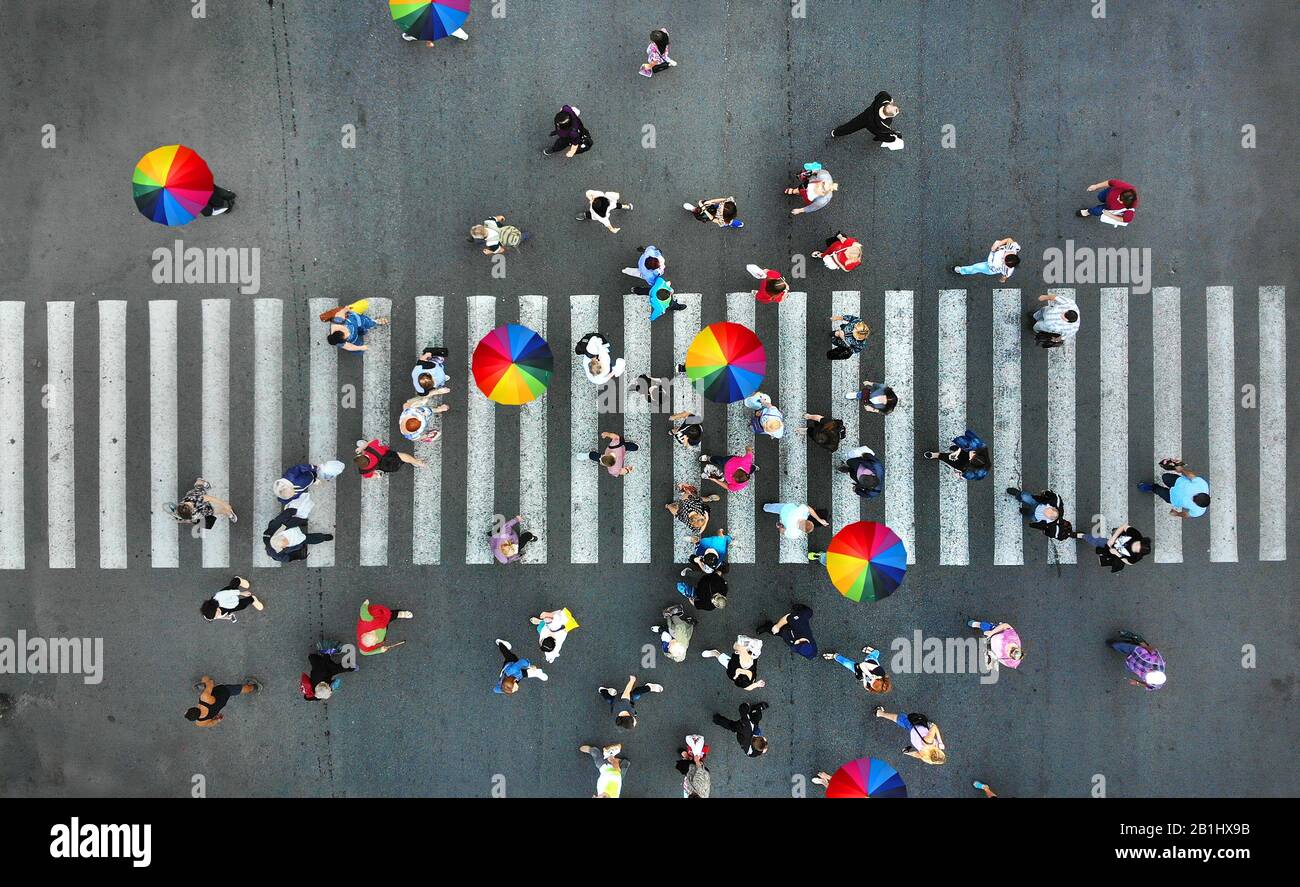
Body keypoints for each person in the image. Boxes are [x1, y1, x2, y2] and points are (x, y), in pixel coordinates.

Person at [1138, 458, 1211, 519]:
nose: (1192, 497)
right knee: (1165, 477)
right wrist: (1181, 469)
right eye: (1195, 496)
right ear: (1202, 493)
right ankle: (1156, 485)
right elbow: (1191, 475)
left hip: (1172, 498)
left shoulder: (1199, 511)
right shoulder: (1203, 485)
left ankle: (1151, 487)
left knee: (1159, 490)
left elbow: (1186, 515)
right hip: (1176, 482)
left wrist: (1177, 514)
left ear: (1197, 504)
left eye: (1194, 500)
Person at [875, 707, 946, 765]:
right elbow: (916, 754)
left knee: (897, 718)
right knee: (900, 721)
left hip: (914, 726)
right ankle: (880, 713)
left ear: (938, 751)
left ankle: (879, 713)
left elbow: (934, 727)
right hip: (913, 735)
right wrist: (906, 752)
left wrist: (940, 741)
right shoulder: (925, 756)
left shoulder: (929, 742)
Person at [831, 90, 902, 148]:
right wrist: (893, 138)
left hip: (865, 116)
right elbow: (884, 132)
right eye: (896, 111)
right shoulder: (882, 126)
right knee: (881, 134)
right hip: (873, 126)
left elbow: (881, 93)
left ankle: (836, 132)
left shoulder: (884, 98)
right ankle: (876, 139)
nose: (898, 110)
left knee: (851, 126)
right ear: (889, 117)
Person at [262, 506, 333, 563]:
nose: (288, 542)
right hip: (292, 533)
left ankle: (303, 523)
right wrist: (294, 557)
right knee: (307, 539)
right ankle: (323, 537)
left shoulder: (275, 525)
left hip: (289, 526)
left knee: (298, 523)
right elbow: (286, 558)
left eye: (286, 540)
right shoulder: (274, 552)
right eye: (285, 544)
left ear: (281, 535)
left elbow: (286, 513)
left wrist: (295, 510)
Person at [164, 476, 237, 529]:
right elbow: (184, 517)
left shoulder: (198, 498)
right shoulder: (181, 509)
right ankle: (227, 512)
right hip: (203, 511)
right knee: (214, 511)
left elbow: (212, 499)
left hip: (199, 497)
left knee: (199, 487)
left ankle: (200, 481)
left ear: (192, 509)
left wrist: (225, 504)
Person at [185, 676, 258, 727]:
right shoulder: (204, 698)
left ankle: (204, 687)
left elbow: (211, 723)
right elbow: (211, 682)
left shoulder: (200, 723)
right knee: (240, 689)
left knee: (210, 691)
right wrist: (205, 680)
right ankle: (254, 686)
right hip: (224, 691)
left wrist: (217, 720)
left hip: (221, 703)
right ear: (193, 708)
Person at [598, 675, 664, 730]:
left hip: (623, 699)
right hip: (615, 704)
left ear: (629, 716)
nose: (636, 721)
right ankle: (602, 690)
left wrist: (632, 680)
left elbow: (627, 691)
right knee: (609, 700)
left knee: (636, 694)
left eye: (635, 720)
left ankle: (649, 687)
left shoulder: (624, 704)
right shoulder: (618, 720)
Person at [1077, 523, 1150, 572]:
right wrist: (1112, 539)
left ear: (1139, 553)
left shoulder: (1135, 557)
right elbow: (1124, 526)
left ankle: (1084, 536)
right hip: (1115, 540)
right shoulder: (1136, 535)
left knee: (1097, 543)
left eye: (1136, 549)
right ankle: (1083, 536)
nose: (1134, 546)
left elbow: (1130, 562)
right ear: (1141, 541)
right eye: (1137, 544)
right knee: (1102, 539)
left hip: (1113, 550)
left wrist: (1117, 554)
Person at [1005, 486, 1072, 540]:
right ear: (1053, 508)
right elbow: (1053, 495)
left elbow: (1050, 533)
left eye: (1047, 515)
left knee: (1031, 515)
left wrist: (1041, 529)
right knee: (1024, 496)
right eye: (1049, 510)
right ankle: (1018, 494)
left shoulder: (1051, 526)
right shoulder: (1056, 502)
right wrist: (1045, 493)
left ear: (1050, 519)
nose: (1045, 512)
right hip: (1036, 503)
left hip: (1035, 516)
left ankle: (1026, 511)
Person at [922, 429, 990, 480]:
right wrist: (957, 452)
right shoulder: (979, 446)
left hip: (964, 464)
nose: (971, 455)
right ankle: (955, 449)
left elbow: (965, 475)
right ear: (978, 452)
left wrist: (960, 474)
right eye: (974, 453)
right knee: (960, 449)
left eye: (971, 458)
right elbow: (966, 440)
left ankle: (937, 455)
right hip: (968, 451)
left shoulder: (976, 472)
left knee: (950, 460)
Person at [822, 645, 891, 693]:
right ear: (879, 678)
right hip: (869, 662)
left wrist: (864, 677)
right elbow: (863, 664)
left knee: (846, 663)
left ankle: (835, 656)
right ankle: (875, 651)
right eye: (873, 680)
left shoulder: (870, 687)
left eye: (871, 683)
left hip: (859, 671)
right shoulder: (880, 671)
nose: (871, 681)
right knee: (872, 656)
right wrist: (869, 675)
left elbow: (865, 686)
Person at [273, 460, 343, 507]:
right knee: (310, 480)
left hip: (308, 475)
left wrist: (314, 468)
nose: (293, 493)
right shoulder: (286, 495)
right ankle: (313, 480)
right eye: (292, 494)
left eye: (292, 492)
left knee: (312, 476)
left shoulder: (291, 475)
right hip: (307, 481)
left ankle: (314, 478)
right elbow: (285, 500)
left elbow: (300, 468)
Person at [324, 302, 389, 352]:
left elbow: (342, 312)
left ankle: (376, 322)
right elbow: (349, 347)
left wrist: (345, 309)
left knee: (367, 322)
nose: (349, 334)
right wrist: (361, 348)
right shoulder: (340, 342)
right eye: (347, 337)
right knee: (363, 332)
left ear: (339, 331)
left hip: (356, 322)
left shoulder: (337, 321)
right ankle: (363, 330)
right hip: (355, 333)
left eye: (346, 332)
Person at [954, 237, 1021, 281]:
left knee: (976, 267)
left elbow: (1005, 276)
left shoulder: (1007, 270)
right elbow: (1009, 239)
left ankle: (961, 270)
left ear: (1008, 266)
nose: (1002, 259)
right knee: (976, 267)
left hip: (989, 267)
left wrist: (1002, 279)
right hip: (993, 253)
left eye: (1004, 262)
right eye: (1005, 257)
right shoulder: (1013, 248)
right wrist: (997, 245)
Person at [353, 438, 426, 478]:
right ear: (364, 455)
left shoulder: (364, 471)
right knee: (402, 456)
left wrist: (377, 475)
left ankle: (379, 473)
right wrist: (362, 447)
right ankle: (417, 462)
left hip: (390, 467)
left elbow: (372, 476)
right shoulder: (372, 449)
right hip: (390, 457)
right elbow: (374, 440)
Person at [763, 501, 829, 540]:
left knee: (773, 508)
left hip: (785, 508)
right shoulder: (794, 534)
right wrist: (780, 526)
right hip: (783, 519)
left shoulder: (801, 513)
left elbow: (809, 509)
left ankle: (765, 507)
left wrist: (820, 520)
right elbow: (782, 531)